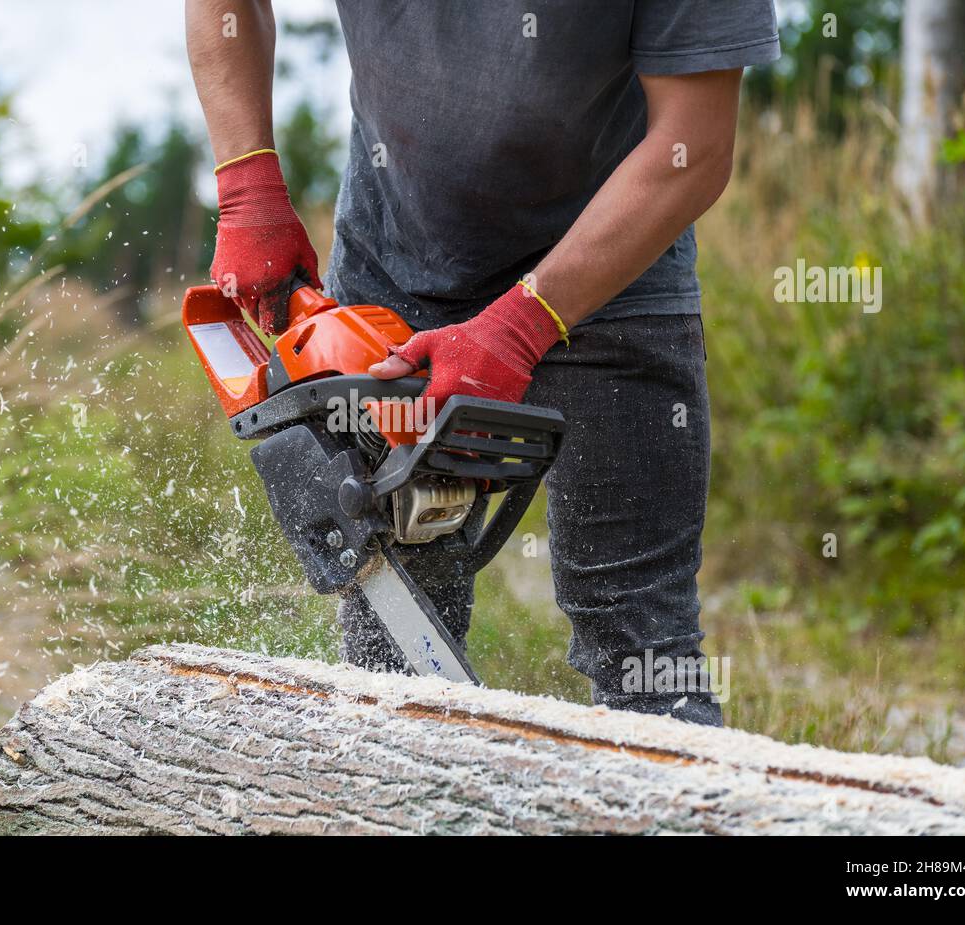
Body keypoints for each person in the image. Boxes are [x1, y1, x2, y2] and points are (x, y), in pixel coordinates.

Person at [186, 0, 780, 725]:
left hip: (619, 269)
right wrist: (247, 189)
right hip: (396, 273)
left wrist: (523, 324)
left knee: (645, 647)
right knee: (393, 651)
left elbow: (697, 146)